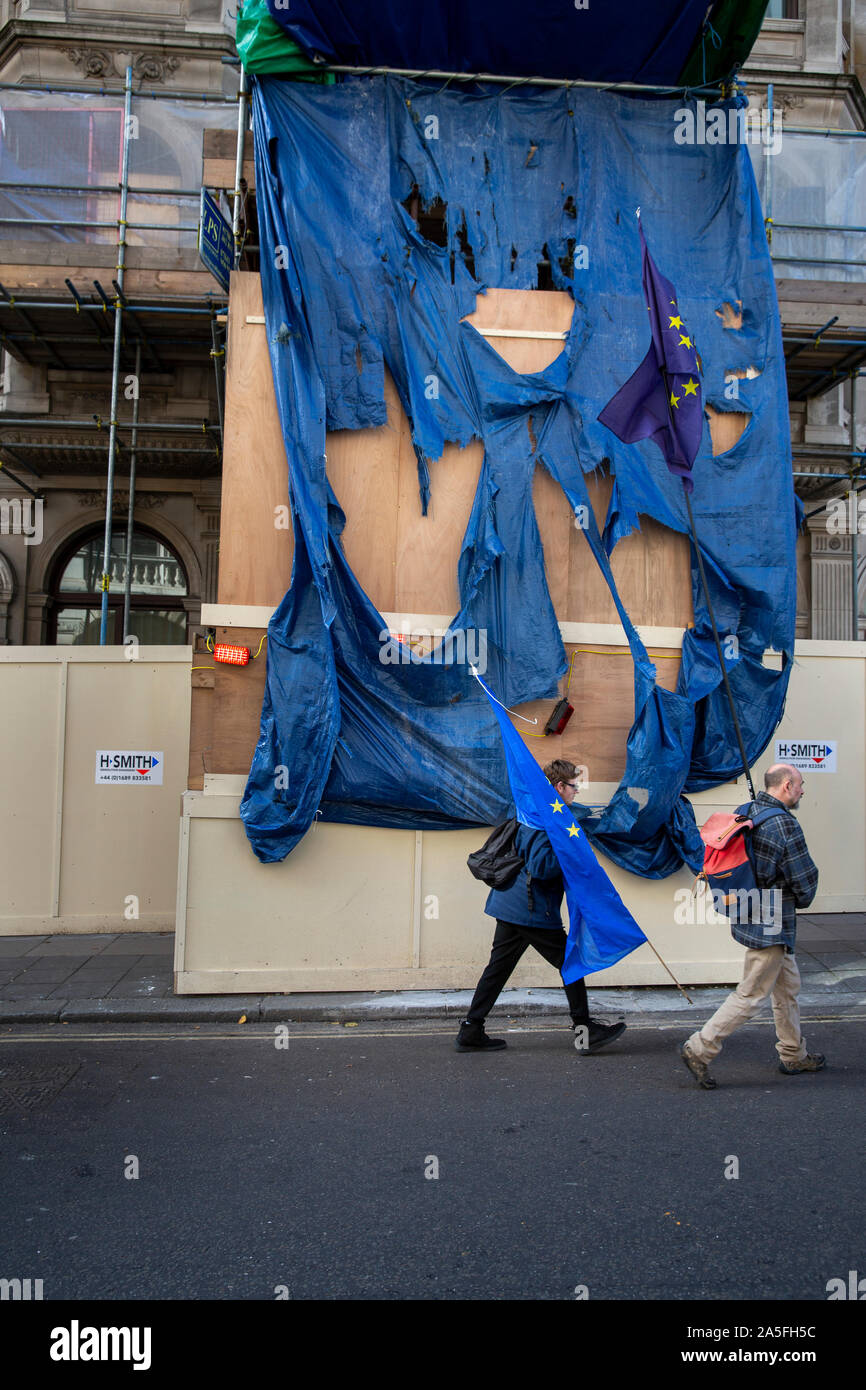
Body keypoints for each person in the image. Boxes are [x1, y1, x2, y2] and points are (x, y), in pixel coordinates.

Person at [456, 759, 626, 1054]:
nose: (576, 792)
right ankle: (585, 1033)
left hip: (512, 905)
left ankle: (471, 1029)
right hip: (531, 910)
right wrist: (570, 851)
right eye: (573, 786)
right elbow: (542, 867)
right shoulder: (546, 821)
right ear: (560, 787)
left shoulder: (536, 810)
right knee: (571, 964)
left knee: (498, 969)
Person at [680, 763, 823, 1089]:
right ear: (786, 785)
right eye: (800, 785)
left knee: (787, 988)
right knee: (752, 994)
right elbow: (805, 882)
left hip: (749, 908)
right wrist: (802, 897)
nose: (802, 790)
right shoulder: (785, 825)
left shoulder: (747, 810)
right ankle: (700, 1048)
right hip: (772, 916)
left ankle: (793, 1053)